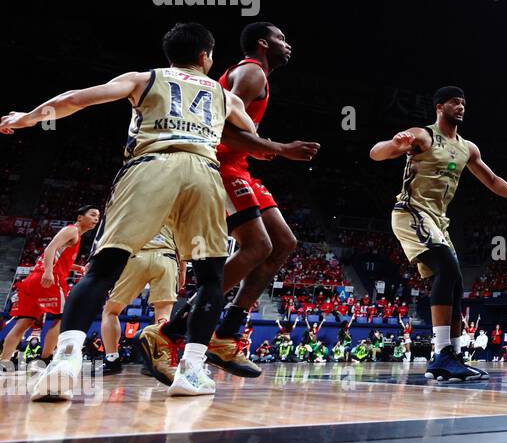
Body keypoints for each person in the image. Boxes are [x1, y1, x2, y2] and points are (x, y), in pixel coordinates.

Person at [0, 22, 317, 401]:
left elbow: (77, 97)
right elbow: (251, 136)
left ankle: (65, 362)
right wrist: (277, 148)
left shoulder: (143, 77)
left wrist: (28, 117)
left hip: (151, 168)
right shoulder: (223, 91)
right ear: (206, 57)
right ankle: (192, 370)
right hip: (204, 174)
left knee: (104, 267)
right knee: (212, 278)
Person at [159, 22, 317, 380]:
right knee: (257, 245)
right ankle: (177, 326)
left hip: (240, 166)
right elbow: (219, 125)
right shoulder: (251, 72)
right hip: (221, 164)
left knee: (283, 244)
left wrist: (264, 149)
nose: (287, 44)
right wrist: (280, 149)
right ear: (263, 43)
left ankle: (227, 332)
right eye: (281, 37)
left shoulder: (254, 74)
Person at [370, 85, 507, 382]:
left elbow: (492, 179)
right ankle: (441, 354)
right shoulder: (423, 135)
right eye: (454, 102)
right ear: (439, 107)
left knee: (457, 283)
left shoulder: (467, 147)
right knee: (446, 268)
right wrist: (395, 143)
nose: (461, 107)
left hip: (438, 220)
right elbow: (376, 153)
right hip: (411, 212)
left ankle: (455, 356)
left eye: (463, 103)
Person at [0, 206, 99, 372]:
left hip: (33, 280)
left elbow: (59, 260)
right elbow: (49, 249)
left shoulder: (74, 235)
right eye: (93, 215)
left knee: (23, 323)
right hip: (48, 279)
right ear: (80, 217)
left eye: (98, 217)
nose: (96, 219)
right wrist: (48, 272)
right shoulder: (72, 231)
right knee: (63, 317)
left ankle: (4, 362)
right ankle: (45, 360)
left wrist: (78, 268)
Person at [99, 225, 181, 377]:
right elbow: (181, 246)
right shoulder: (174, 209)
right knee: (163, 316)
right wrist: (181, 272)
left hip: (137, 257)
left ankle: (112, 359)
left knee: (110, 311)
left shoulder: (136, 204)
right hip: (167, 258)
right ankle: (158, 362)